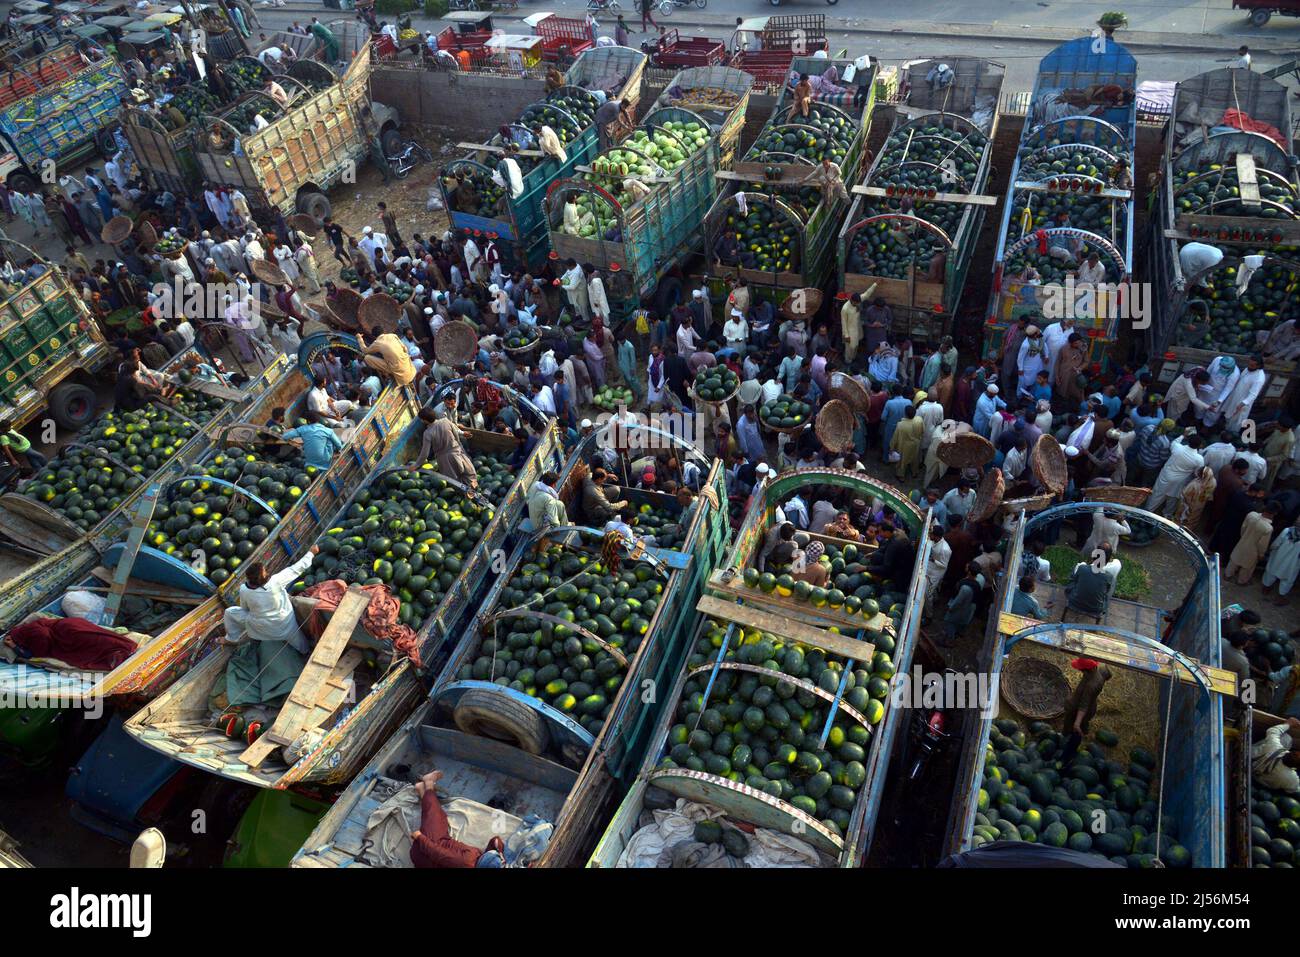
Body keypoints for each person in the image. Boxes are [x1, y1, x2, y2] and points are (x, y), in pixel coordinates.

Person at [218, 546, 319, 708]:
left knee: (230, 612)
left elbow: (244, 609)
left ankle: (231, 638)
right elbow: (298, 568)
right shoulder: (276, 582)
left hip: (260, 629)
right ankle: (306, 653)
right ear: (264, 577)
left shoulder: (244, 589)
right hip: (285, 625)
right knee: (302, 646)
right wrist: (312, 552)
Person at [410, 769, 507, 869]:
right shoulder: (479, 862)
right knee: (439, 819)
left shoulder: (466, 862)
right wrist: (499, 849)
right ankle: (422, 790)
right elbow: (494, 844)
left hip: (423, 853)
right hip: (441, 844)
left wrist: (420, 837)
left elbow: (438, 854)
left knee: (436, 817)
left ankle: (428, 784)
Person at [1058, 658, 1113, 765]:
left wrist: (1077, 723)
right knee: (1084, 723)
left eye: (1081, 669)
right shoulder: (1099, 669)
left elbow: (1084, 705)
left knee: (1071, 724)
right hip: (1089, 707)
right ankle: (1083, 728)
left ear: (1086, 670)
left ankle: (1066, 738)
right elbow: (1108, 672)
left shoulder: (1091, 686)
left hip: (1080, 709)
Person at [1226, 505, 1275, 585]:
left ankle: (1227, 575)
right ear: (1273, 514)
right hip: (1253, 550)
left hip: (1243, 542)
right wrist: (1261, 554)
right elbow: (1262, 545)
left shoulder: (1251, 515)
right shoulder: (1268, 528)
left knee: (1234, 560)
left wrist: (1244, 537)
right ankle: (1241, 581)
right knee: (1247, 567)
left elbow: (1243, 528)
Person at [942, 562, 981, 645]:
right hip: (968, 608)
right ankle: (958, 633)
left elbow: (958, 601)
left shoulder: (965, 586)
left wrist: (951, 607)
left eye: (968, 567)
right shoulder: (977, 584)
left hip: (960, 609)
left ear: (969, 572)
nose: (966, 566)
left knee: (951, 624)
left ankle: (949, 641)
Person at [527, 471, 567, 535]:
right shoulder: (548, 498)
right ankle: (564, 529)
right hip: (541, 529)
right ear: (552, 484)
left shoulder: (535, 485)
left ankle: (565, 525)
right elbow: (553, 519)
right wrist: (557, 528)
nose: (555, 485)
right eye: (555, 483)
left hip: (534, 519)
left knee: (559, 504)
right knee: (560, 505)